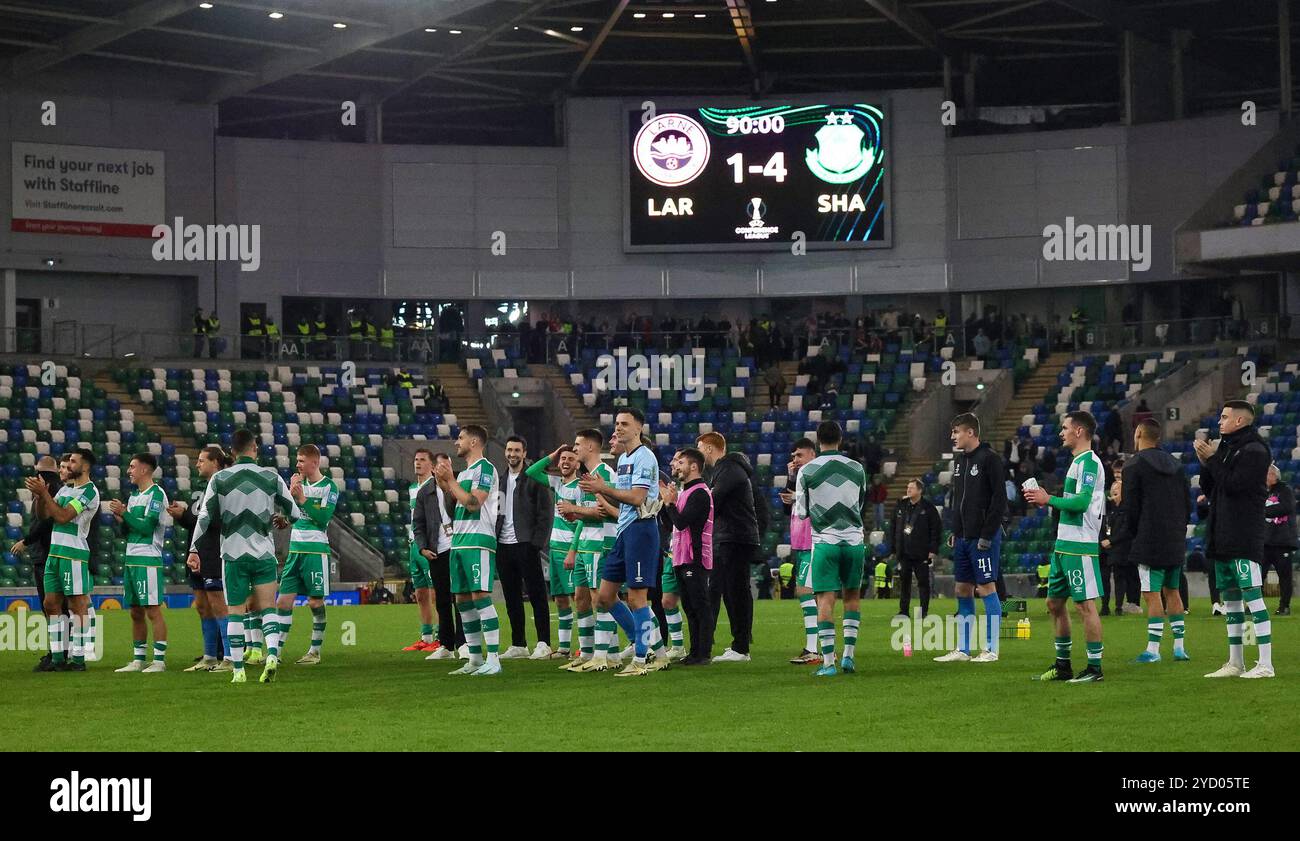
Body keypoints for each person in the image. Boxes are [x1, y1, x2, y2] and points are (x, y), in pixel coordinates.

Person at [187, 429, 302, 684]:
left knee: (236, 611)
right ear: (255, 448)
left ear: (232, 452)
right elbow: (294, 512)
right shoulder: (271, 477)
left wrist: (194, 550)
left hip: (233, 554)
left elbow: (205, 518)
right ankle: (271, 655)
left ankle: (238, 670)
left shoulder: (220, 479)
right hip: (263, 553)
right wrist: (282, 520)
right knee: (268, 608)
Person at [578, 409, 664, 676]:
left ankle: (641, 660)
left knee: (638, 598)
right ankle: (649, 646)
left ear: (638, 428)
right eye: (616, 423)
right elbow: (623, 498)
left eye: (625, 424)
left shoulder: (644, 457)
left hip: (641, 529)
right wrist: (602, 493)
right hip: (624, 530)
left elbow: (638, 498)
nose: (619, 428)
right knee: (605, 597)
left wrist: (603, 489)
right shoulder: (624, 459)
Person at [1024, 411, 1106, 683]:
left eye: (1065, 427)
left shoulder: (1090, 463)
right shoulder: (1076, 462)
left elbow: (1081, 503)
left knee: (1085, 605)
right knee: (1054, 603)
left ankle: (1094, 669)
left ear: (1079, 431)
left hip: (1080, 545)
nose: (1061, 432)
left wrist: (1049, 499)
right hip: (1064, 544)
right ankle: (1063, 666)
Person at [1196, 400, 1274, 678]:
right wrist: (1206, 462)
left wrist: (1214, 459)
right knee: (1230, 601)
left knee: (1253, 598)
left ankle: (1265, 664)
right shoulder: (1227, 449)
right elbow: (1211, 485)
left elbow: (1234, 484)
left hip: (1243, 534)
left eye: (1225, 417)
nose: (1219, 422)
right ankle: (1235, 662)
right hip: (1222, 535)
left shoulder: (1254, 450)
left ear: (1239, 421)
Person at [795, 421, 867, 677]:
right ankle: (848, 657)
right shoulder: (857, 468)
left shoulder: (807, 470)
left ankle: (828, 663)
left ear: (817, 441)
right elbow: (861, 502)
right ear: (840, 438)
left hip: (825, 542)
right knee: (852, 597)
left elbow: (801, 512)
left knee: (825, 599)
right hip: (854, 541)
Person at [935, 413, 1006, 664]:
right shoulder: (959, 462)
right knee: (962, 588)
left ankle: (991, 649)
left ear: (971, 433)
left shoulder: (990, 459)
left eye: (956, 432)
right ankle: (963, 649)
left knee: (986, 587)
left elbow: (999, 500)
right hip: (964, 537)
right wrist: (956, 530)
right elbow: (958, 500)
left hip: (982, 538)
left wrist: (987, 534)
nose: (952, 436)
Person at [1122, 418, 1191, 663]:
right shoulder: (1176, 464)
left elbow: (1130, 508)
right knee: (1172, 591)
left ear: (1139, 433)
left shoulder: (1133, 466)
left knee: (1151, 594)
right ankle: (1179, 648)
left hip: (1149, 539)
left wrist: (1131, 536)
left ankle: (1153, 650)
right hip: (1174, 538)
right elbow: (1187, 503)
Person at [25, 448, 99, 672]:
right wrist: (40, 496)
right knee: (50, 604)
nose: (68, 465)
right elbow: (44, 515)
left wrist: (45, 495)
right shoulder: (67, 489)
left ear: (84, 466)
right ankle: (57, 658)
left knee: (77, 606)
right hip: (55, 553)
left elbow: (63, 516)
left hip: (73, 554)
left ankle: (78, 660)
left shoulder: (89, 492)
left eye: (73, 462)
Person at [561, 429, 623, 672]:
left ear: (590, 447)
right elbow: (589, 512)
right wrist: (573, 512)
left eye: (577, 445)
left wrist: (574, 508)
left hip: (600, 542)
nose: (574, 449)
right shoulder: (586, 477)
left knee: (601, 598)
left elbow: (607, 510)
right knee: (582, 598)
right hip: (585, 543)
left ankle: (602, 655)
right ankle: (592, 653)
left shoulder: (605, 473)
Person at [695, 431, 760, 664]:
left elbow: (713, 501)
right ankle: (729, 644)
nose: (699, 453)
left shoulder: (729, 469)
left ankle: (738, 647)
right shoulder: (727, 469)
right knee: (730, 591)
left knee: (732, 592)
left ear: (710, 449)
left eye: (700, 447)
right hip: (732, 537)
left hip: (734, 538)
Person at [272, 444, 338, 665]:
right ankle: (277, 654)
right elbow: (296, 516)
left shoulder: (329, 487)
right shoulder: (298, 485)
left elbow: (322, 519)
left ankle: (315, 651)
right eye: (297, 460)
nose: (297, 464)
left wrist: (301, 499)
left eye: (301, 461)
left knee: (314, 602)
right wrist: (285, 517)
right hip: (295, 550)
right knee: (282, 602)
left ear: (314, 463)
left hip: (315, 551)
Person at [170, 446, 232, 672]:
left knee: (219, 606)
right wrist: (183, 517)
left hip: (214, 552)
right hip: (196, 551)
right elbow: (198, 521)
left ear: (215, 462)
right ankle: (209, 656)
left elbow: (216, 521)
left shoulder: (224, 485)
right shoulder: (199, 488)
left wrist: (185, 515)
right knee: (204, 607)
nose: (197, 464)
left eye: (201, 460)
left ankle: (228, 656)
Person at [108, 453, 171, 672]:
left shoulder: (157, 494)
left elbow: (146, 528)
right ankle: (138, 659)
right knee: (135, 611)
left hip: (148, 559)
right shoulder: (135, 496)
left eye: (132, 466)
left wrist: (125, 513)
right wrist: (121, 518)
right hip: (131, 558)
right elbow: (128, 531)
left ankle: (159, 661)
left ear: (145, 469)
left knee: (153, 610)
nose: (129, 471)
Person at [495, 435, 553, 659]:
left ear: (524, 453)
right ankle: (518, 644)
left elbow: (545, 514)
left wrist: (536, 544)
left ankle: (543, 643)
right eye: (509, 450)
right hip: (503, 545)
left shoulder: (534, 478)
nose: (512, 454)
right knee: (511, 597)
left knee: (538, 595)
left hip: (526, 544)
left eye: (517, 450)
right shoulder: (499, 480)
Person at [525, 444, 585, 661]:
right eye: (563, 459)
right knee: (560, 600)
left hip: (570, 550)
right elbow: (531, 472)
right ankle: (565, 648)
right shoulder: (557, 483)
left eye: (570, 458)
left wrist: (573, 551)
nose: (566, 462)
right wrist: (552, 454)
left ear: (578, 463)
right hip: (555, 550)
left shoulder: (581, 487)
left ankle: (588, 647)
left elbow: (582, 521)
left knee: (580, 599)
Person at [658, 447, 713, 665]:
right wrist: (666, 503)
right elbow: (670, 524)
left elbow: (682, 522)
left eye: (680, 462)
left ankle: (704, 653)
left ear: (693, 466)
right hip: (681, 557)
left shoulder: (700, 492)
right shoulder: (685, 492)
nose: (676, 466)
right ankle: (695, 652)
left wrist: (670, 503)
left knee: (700, 606)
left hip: (695, 557)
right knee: (690, 607)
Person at [413, 452, 464, 659]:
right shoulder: (424, 492)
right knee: (441, 599)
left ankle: (464, 643)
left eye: (448, 466)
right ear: (434, 468)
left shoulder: (458, 486)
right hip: (437, 550)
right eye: (441, 466)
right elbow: (418, 523)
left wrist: (449, 487)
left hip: (459, 547)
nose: (445, 470)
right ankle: (446, 645)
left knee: (460, 598)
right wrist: (423, 547)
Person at [14, 456, 61, 671]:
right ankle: (59, 652)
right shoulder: (54, 493)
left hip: (45, 556)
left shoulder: (48, 494)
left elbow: (45, 523)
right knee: (54, 608)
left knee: (51, 607)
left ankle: (58, 653)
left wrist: (26, 540)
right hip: (45, 555)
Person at [781, 438, 820, 664]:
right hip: (802, 544)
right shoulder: (800, 479)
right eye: (793, 456)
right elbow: (790, 510)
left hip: (814, 543)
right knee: (806, 592)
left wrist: (796, 495)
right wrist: (791, 480)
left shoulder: (816, 475)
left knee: (806, 592)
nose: (794, 460)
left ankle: (814, 649)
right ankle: (815, 648)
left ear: (811, 455)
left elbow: (817, 501)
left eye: (799, 456)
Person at [402, 449, 439, 653]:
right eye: (416, 459)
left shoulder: (434, 486)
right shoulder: (412, 488)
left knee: (436, 594)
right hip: (413, 546)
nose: (417, 463)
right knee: (421, 594)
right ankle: (426, 637)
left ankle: (442, 637)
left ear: (431, 465)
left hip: (428, 546)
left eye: (423, 460)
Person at [893, 479, 941, 619]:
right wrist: (894, 548)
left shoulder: (928, 507)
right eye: (908, 487)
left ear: (920, 490)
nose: (908, 490)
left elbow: (936, 529)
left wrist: (933, 549)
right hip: (904, 552)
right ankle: (903, 611)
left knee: (923, 584)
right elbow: (894, 527)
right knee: (904, 583)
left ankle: (923, 612)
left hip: (922, 553)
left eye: (912, 488)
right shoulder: (901, 506)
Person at [1262, 463, 1296, 616]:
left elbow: (1286, 508)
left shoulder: (1285, 490)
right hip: (1264, 541)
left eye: (1267, 473)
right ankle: (1255, 605)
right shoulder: (1262, 492)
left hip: (1282, 541)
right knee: (1258, 576)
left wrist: (1262, 511)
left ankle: (1284, 606)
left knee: (1284, 576)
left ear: (1274, 475)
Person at [1099, 478, 1130, 619]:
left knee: (1119, 577)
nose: (1113, 491)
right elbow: (1099, 525)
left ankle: (1118, 606)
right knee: (1104, 578)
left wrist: (1111, 541)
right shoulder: (1106, 508)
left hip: (1119, 548)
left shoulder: (1127, 509)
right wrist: (1102, 540)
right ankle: (1104, 606)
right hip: (1104, 549)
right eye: (1112, 488)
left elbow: (1126, 530)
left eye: (1117, 489)